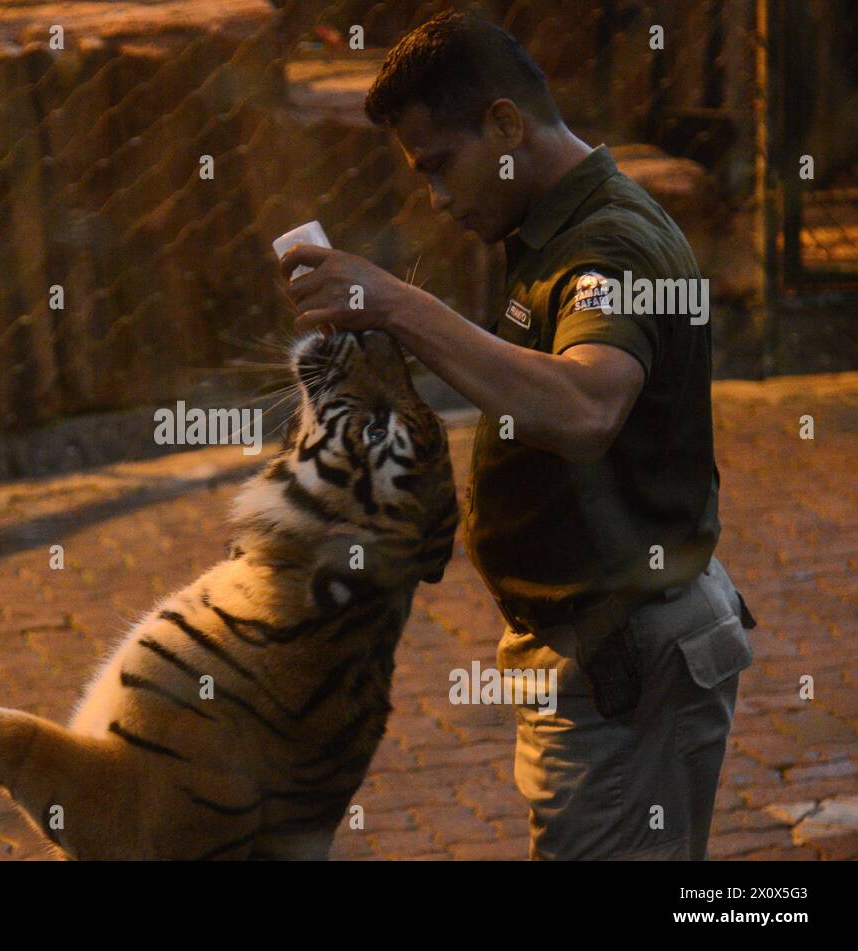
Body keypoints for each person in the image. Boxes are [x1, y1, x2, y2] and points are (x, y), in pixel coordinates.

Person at [278, 10, 756, 860]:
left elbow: (584, 407)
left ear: (503, 125)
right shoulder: (553, 229)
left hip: (627, 660)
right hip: (602, 651)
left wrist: (396, 301)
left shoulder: (608, 246)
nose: (437, 197)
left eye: (438, 166)